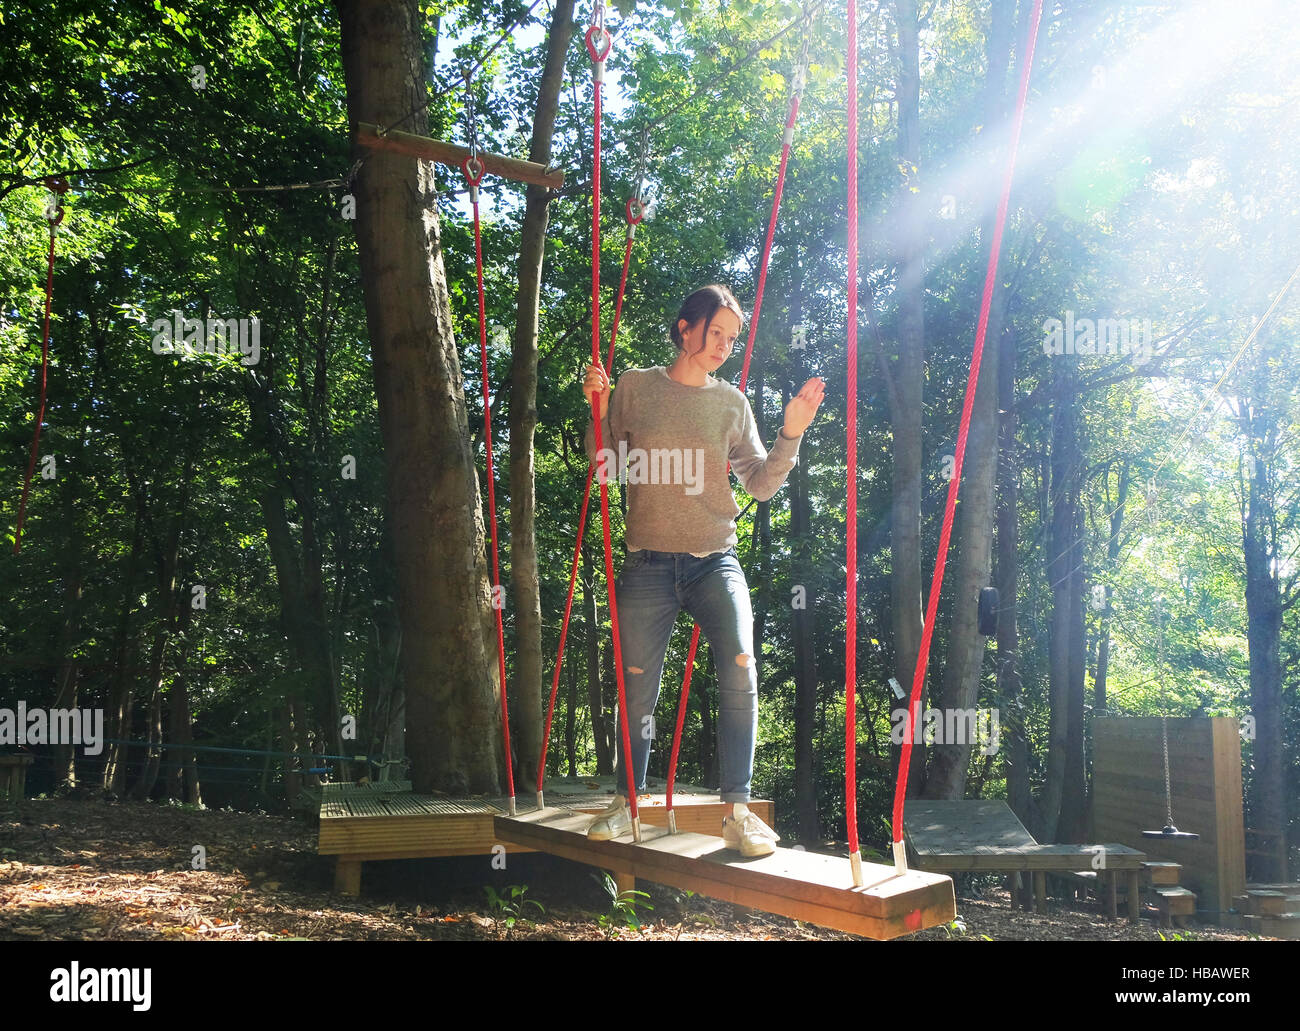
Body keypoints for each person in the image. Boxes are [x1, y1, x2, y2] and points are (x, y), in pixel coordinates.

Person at [580, 283, 825, 856]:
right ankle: (627, 804)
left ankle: (737, 812)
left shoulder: (731, 404)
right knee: (637, 688)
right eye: (715, 333)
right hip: (647, 564)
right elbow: (605, 467)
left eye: (732, 339)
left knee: (741, 664)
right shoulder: (636, 388)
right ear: (686, 327)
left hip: (716, 561)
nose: (723, 346)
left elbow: (761, 485)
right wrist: (596, 405)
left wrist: (792, 430)